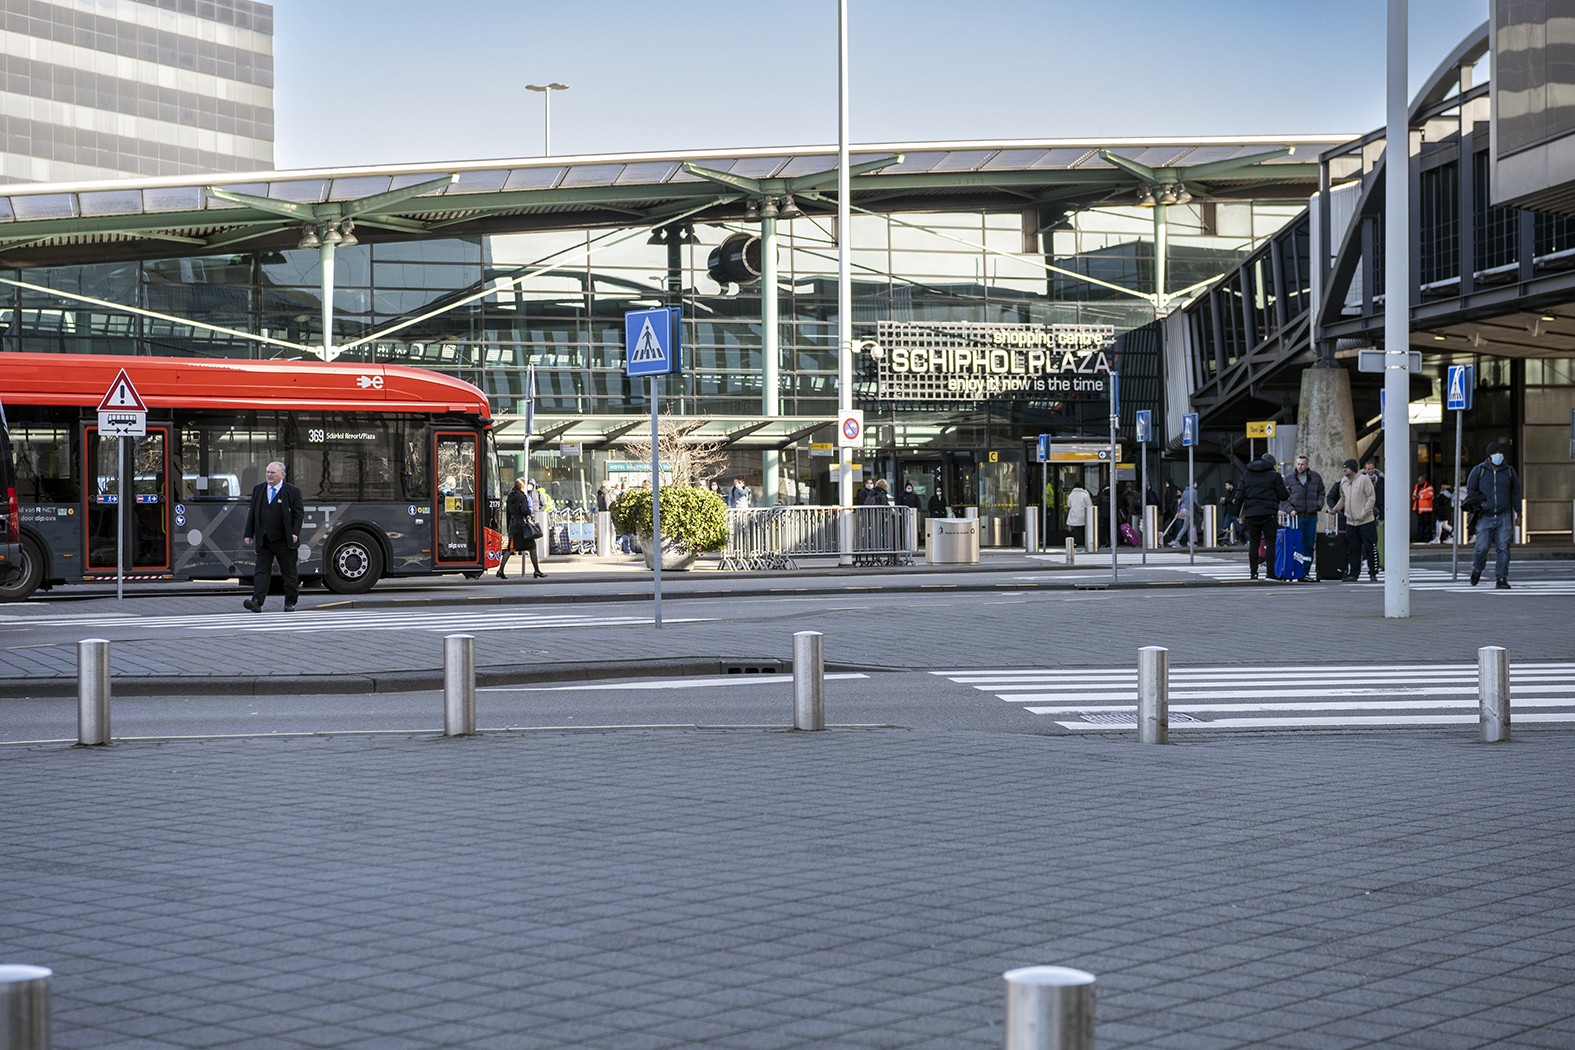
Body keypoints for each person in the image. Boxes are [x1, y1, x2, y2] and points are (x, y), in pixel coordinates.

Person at [242, 460, 304, 613]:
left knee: (289, 573)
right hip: (264, 539)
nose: (269, 475)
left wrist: (295, 532)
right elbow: (253, 513)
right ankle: (257, 601)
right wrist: (248, 533)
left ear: (281, 475)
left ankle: (290, 602)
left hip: (284, 540)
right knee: (261, 571)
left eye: (272, 473)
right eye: (267, 472)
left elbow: (298, 514)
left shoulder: (293, 492)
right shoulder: (259, 490)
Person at [1464, 441, 1521, 589]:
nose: (1499, 456)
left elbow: (1516, 493)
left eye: (1500, 452)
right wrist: (1480, 503)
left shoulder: (1509, 471)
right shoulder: (1479, 471)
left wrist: (1519, 513)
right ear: (1489, 457)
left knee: (1503, 548)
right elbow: (1471, 491)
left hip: (1503, 515)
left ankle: (1501, 578)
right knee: (1482, 547)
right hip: (1485, 516)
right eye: (1495, 453)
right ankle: (1477, 569)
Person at [1238, 453, 1290, 581]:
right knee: (1270, 543)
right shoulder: (1275, 476)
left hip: (1251, 514)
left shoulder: (1246, 475)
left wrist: (1237, 514)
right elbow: (1284, 495)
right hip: (1269, 514)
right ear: (1272, 465)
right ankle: (1270, 573)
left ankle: (1253, 574)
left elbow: (1239, 495)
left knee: (1254, 544)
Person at [1332, 458, 1378, 582]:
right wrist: (1335, 509)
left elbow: (1371, 498)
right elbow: (1343, 498)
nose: (1344, 470)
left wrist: (1364, 513)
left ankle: (1373, 572)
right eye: (1343, 468)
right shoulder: (1343, 482)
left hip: (1366, 520)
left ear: (1353, 468)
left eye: (1346, 468)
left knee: (1370, 546)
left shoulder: (1364, 480)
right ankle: (1354, 573)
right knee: (1353, 548)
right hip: (1350, 521)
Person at [498, 478, 545, 579]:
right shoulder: (522, 496)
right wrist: (529, 513)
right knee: (532, 547)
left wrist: (509, 527)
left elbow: (508, 513)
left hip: (513, 525)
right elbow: (525, 510)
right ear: (522, 486)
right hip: (522, 526)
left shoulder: (510, 496)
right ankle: (536, 570)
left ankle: (500, 570)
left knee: (510, 548)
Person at [1283, 454, 1326, 558]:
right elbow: (1283, 497)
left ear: (1307, 465)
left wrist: (1318, 505)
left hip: (1311, 515)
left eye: (1302, 464)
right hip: (1296, 516)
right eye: (1298, 464)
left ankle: (1306, 570)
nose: (1300, 466)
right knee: (1296, 543)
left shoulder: (1315, 477)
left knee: (1309, 543)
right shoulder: (1289, 478)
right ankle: (1297, 568)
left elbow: (1321, 493)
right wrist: (1290, 510)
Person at [1065, 483, 1094, 550]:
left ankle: (1075, 542)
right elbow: (1090, 505)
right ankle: (1084, 542)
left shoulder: (1071, 495)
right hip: (1083, 514)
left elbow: (1069, 505)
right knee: (1083, 528)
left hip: (1074, 513)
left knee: (1075, 529)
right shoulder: (1085, 494)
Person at [1411, 475, 1434, 542]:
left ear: (1424, 480)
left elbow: (1430, 495)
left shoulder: (1429, 487)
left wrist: (1420, 496)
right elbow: (1414, 495)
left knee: (1427, 524)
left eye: (1420, 481)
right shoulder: (1417, 486)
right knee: (1420, 524)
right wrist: (1416, 497)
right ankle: (1420, 538)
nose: (1419, 482)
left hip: (1426, 509)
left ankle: (1428, 537)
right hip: (1419, 508)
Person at [1218, 480, 1240, 544]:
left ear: (1231, 485)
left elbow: (1233, 501)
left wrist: (1226, 499)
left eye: (1227, 485)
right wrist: (1223, 502)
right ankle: (1225, 540)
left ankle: (1248, 539)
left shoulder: (1236, 491)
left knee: (1239, 527)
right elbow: (1229, 502)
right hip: (1228, 512)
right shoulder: (1229, 492)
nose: (1226, 487)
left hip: (1233, 513)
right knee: (1225, 527)